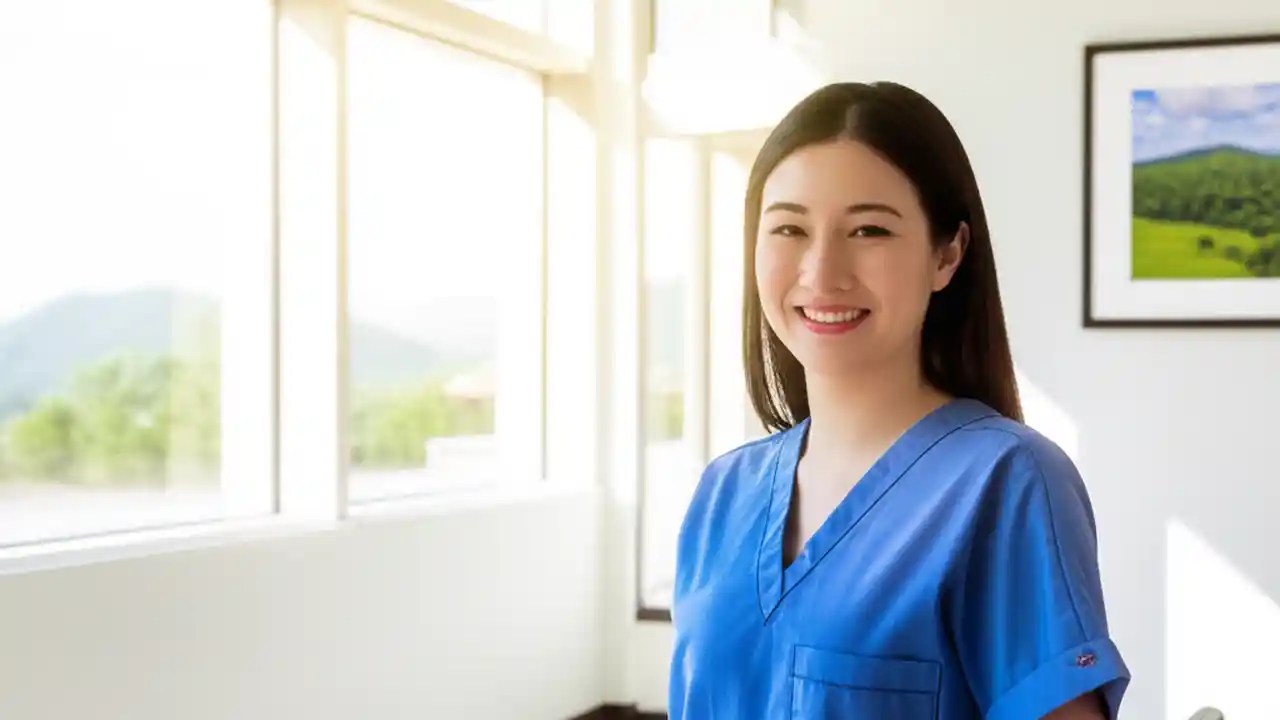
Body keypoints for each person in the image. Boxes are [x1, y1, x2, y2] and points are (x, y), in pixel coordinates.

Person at [666, 82, 1130, 719]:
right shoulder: (722, 493)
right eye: (790, 228)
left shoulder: (1008, 483)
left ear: (947, 255)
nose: (822, 272)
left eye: (869, 229)